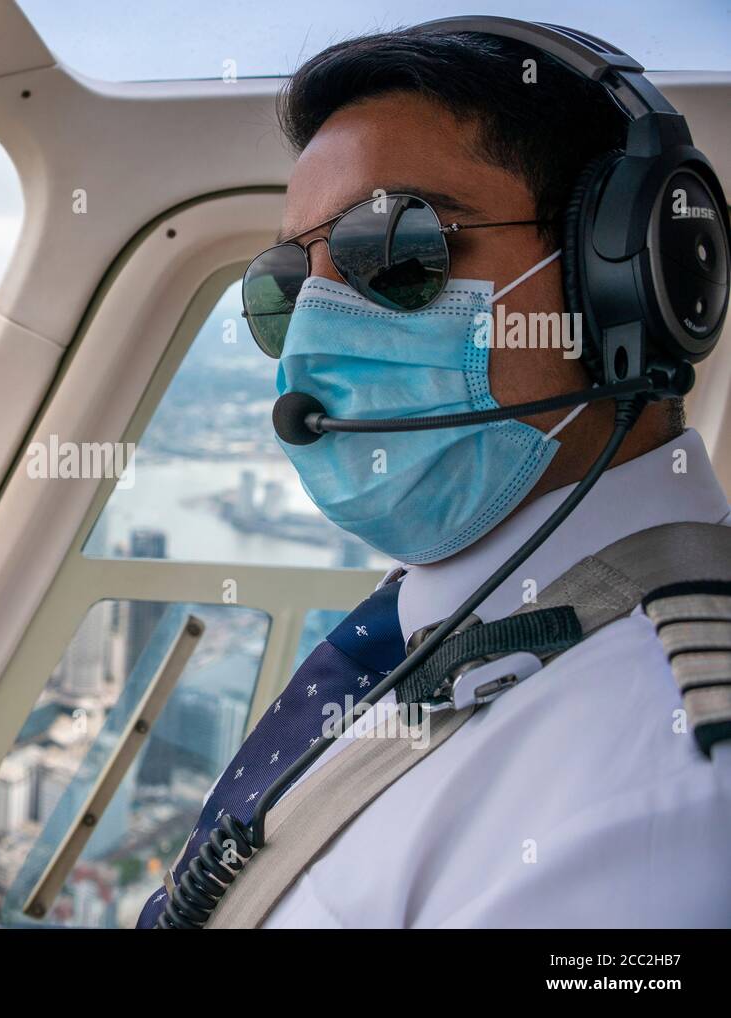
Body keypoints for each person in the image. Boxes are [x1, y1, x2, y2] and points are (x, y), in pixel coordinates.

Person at [137, 25, 730, 928]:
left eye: (395, 248)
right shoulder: (454, 615)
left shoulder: (658, 787)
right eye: (289, 287)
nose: (314, 332)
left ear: (624, 275)